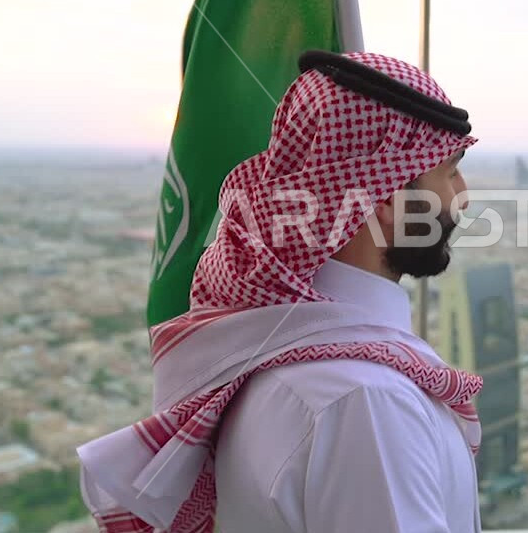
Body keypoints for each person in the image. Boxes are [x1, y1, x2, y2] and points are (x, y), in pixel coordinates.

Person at [77, 51, 483, 533]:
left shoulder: (257, 340)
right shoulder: (367, 400)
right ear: (390, 199)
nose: (462, 195)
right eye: (450, 172)